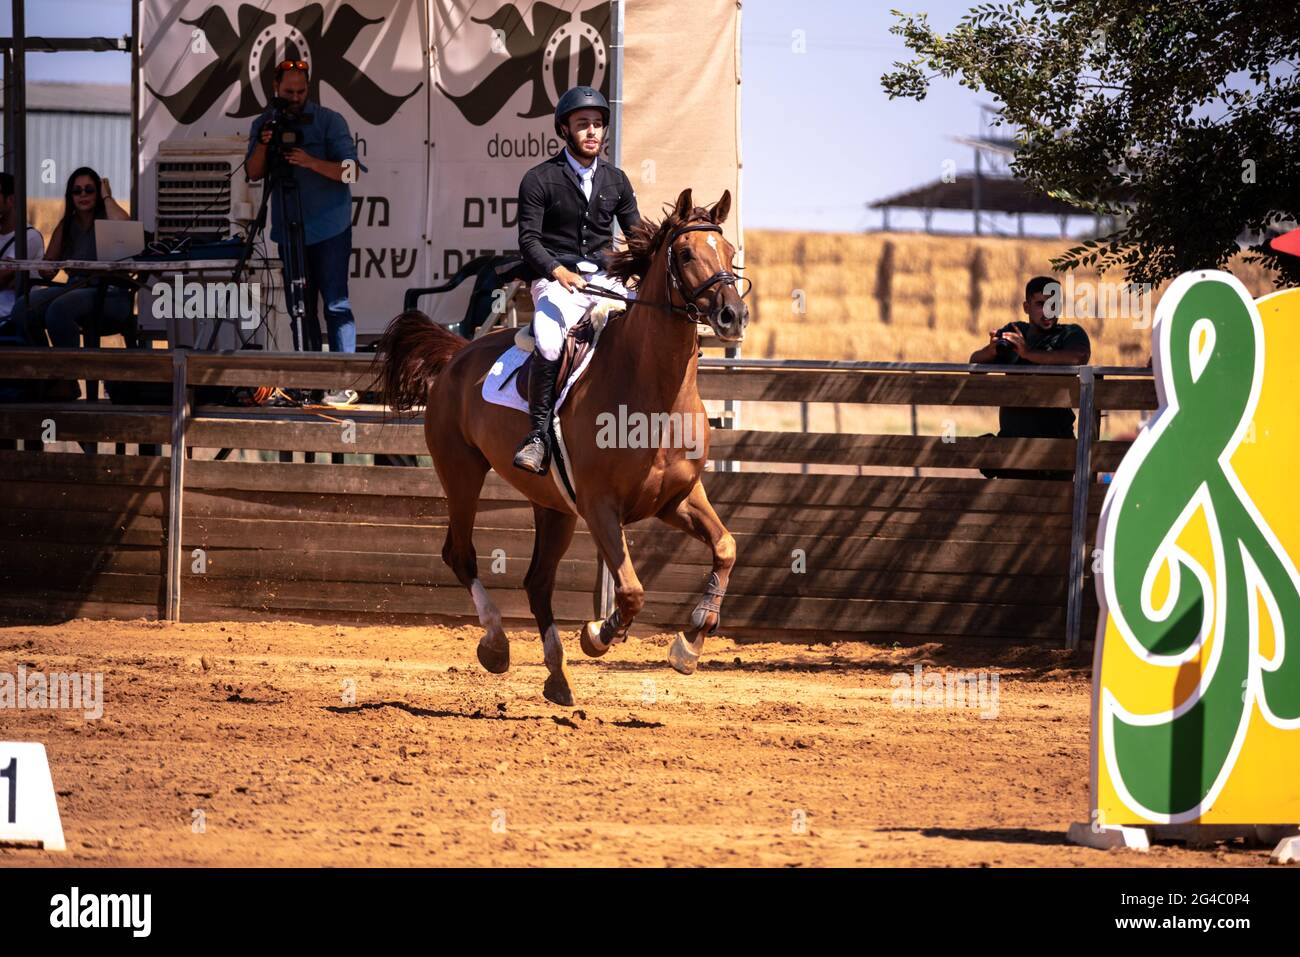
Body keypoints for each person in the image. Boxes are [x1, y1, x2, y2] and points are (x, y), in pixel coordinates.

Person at [513, 85, 641, 474]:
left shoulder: (617, 180)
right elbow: (528, 241)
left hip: (603, 280)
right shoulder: (538, 179)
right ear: (564, 130)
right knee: (551, 340)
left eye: (598, 125)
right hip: (554, 279)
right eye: (582, 124)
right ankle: (537, 436)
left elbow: (636, 237)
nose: (591, 132)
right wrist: (558, 271)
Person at [247, 58, 364, 407]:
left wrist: (310, 161)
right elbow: (253, 171)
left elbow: (351, 173)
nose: (295, 97)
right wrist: (266, 143)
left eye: (300, 91)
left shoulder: (329, 121)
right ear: (275, 89)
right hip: (289, 230)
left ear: (308, 89)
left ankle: (345, 382)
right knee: (300, 307)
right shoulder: (264, 124)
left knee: (336, 304)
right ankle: (310, 382)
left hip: (330, 226)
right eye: (288, 92)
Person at [970, 275, 1091, 479]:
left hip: (1054, 449)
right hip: (1012, 448)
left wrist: (1028, 355)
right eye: (1040, 304)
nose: (1048, 311)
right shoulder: (1016, 332)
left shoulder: (1069, 333)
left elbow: (1078, 357)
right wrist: (991, 351)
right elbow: (974, 364)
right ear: (1026, 307)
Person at [9, 167, 134, 359]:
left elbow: (126, 226)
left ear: (99, 193)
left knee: (59, 309)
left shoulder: (108, 219)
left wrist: (107, 196)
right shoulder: (67, 225)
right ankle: (48, 367)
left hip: (111, 294)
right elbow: (48, 267)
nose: (83, 194)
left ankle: (69, 374)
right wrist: (48, 269)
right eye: (77, 191)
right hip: (73, 288)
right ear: (70, 195)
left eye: (89, 190)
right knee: (22, 308)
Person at [0, 172, 45, 336]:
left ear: (10, 200)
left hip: (9, 319)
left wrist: (7, 276)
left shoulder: (29, 237)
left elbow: (2, 277)